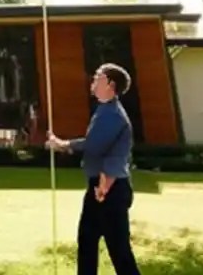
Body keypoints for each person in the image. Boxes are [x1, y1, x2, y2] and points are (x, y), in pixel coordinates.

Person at [46, 63, 140, 275]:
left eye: (98, 77)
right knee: (87, 240)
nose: (93, 81)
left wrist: (63, 145)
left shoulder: (113, 114)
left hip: (109, 189)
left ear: (110, 84)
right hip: (100, 187)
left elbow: (96, 146)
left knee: (119, 250)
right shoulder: (104, 110)